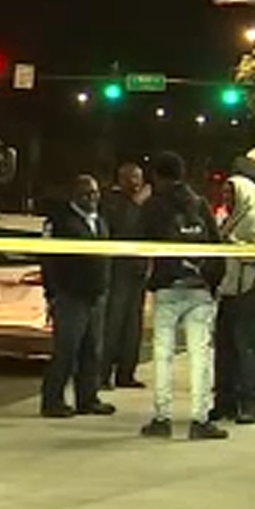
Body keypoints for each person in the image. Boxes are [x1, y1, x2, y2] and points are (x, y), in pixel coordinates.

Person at [139, 152, 228, 440]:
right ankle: (200, 419)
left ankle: (162, 418)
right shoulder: (199, 204)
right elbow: (217, 247)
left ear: (157, 176)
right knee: (200, 355)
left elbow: (136, 240)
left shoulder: (154, 206)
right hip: (199, 289)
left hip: (168, 287)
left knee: (162, 355)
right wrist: (211, 282)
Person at [213, 149, 255, 425]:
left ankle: (250, 402)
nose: (227, 198)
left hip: (250, 291)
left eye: (231, 194)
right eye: (225, 194)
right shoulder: (227, 217)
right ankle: (225, 401)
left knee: (249, 349)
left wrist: (233, 245)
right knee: (225, 349)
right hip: (228, 291)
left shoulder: (254, 217)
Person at [39, 172, 115, 418]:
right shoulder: (60, 222)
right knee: (67, 350)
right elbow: (48, 260)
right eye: (86, 194)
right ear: (74, 196)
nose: (92, 198)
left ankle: (88, 398)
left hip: (95, 295)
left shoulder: (99, 221)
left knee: (92, 350)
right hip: (70, 296)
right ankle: (53, 400)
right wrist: (53, 293)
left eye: (95, 193)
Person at [98, 160, 151, 389]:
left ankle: (126, 373)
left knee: (133, 326)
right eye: (132, 178)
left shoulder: (144, 205)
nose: (136, 183)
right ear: (121, 180)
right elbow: (120, 230)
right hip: (117, 270)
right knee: (113, 324)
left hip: (137, 271)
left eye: (139, 178)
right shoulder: (111, 203)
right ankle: (102, 374)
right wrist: (136, 205)